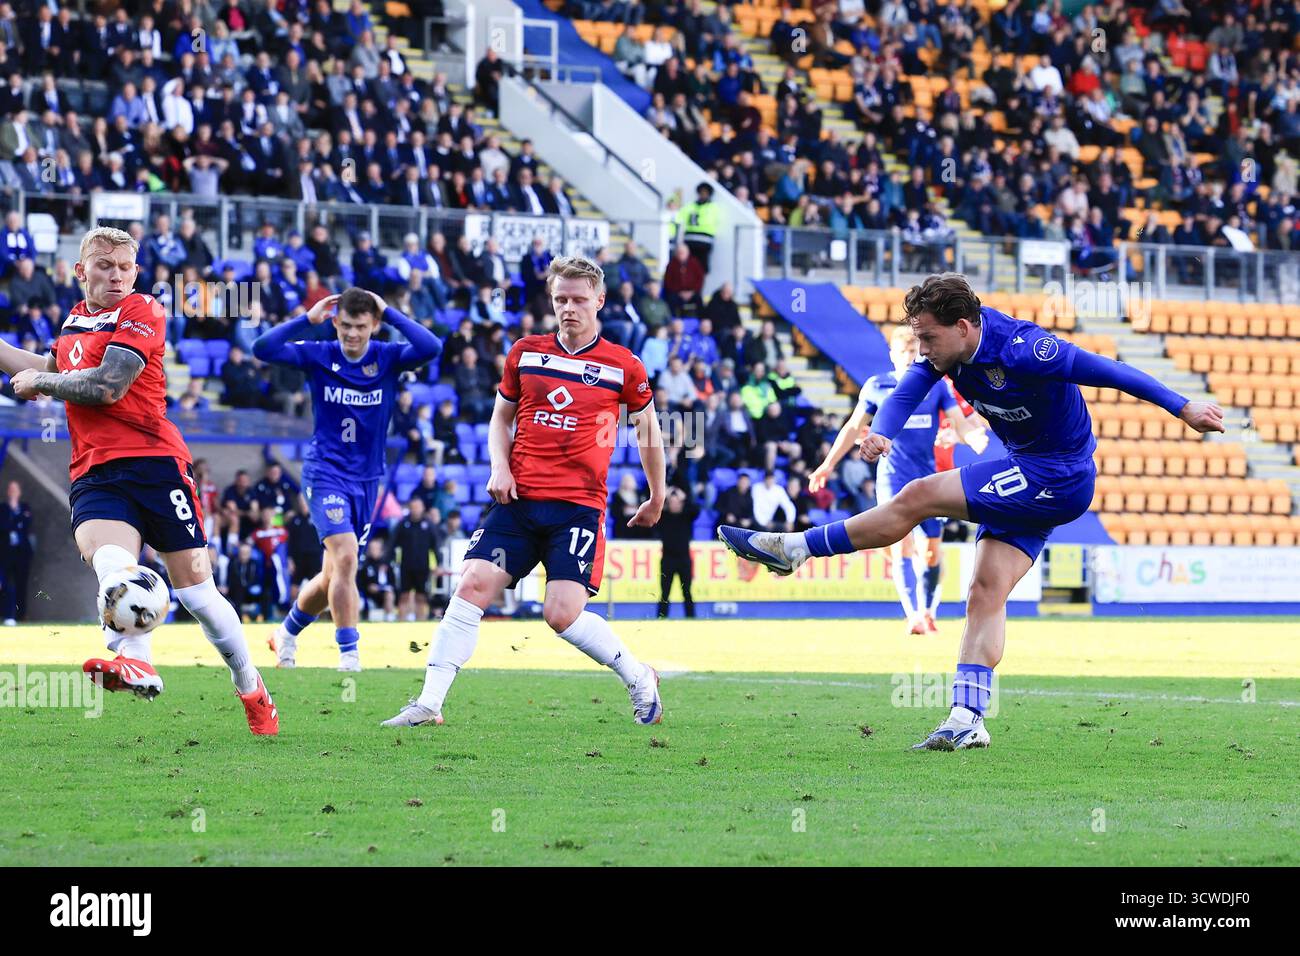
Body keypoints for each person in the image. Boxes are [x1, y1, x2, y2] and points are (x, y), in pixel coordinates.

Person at [718, 273, 1224, 750]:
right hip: (1030, 469)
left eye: (928, 337)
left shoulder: (1025, 348)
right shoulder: (946, 355)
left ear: (962, 327)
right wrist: (881, 434)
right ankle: (967, 721)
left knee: (917, 495)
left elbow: (1108, 371)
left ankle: (796, 548)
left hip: (1058, 472)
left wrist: (1182, 407)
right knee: (985, 591)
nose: (922, 349)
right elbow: (906, 391)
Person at [0, 226, 278, 734]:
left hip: (154, 462)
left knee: (199, 596)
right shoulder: (75, 321)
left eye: (125, 267)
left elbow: (106, 386)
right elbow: (51, 365)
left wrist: (41, 382)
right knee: (109, 561)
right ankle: (136, 661)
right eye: (105, 266)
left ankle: (252, 686)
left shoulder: (143, 309)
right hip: (94, 469)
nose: (117, 275)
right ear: (80, 270)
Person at [383, 255, 667, 728]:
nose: (568, 308)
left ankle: (640, 678)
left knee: (560, 614)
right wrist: (499, 466)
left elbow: (649, 432)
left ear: (599, 300)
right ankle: (429, 704)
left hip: (576, 509)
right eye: (560, 299)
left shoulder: (624, 366)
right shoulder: (526, 352)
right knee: (471, 585)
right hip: (517, 502)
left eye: (578, 300)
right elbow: (501, 418)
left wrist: (656, 495)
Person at [255, 287, 441, 671]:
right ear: (335, 323)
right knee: (346, 557)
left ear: (373, 325)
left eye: (360, 326)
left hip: (367, 480)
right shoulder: (319, 354)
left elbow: (431, 347)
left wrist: (389, 311)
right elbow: (263, 348)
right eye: (345, 326)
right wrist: (307, 320)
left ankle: (286, 634)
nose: (352, 334)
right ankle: (349, 654)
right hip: (325, 472)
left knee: (332, 576)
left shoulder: (387, 358)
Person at [809, 326, 986, 634]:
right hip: (892, 477)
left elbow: (959, 422)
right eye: (902, 352)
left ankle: (928, 610)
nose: (908, 357)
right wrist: (827, 465)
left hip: (929, 478)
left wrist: (972, 437)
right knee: (900, 546)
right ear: (892, 356)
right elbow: (853, 428)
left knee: (931, 551)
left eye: (913, 351)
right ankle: (914, 614)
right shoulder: (877, 387)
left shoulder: (937, 387)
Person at [392, 495, 438, 621]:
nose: (415, 509)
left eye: (418, 507)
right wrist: (387, 561)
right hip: (405, 565)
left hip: (423, 566)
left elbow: (435, 546)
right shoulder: (403, 524)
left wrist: (437, 564)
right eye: (413, 507)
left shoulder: (428, 525)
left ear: (422, 508)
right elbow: (392, 543)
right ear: (409, 508)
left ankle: (420, 620)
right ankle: (401, 620)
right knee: (404, 595)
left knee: (421, 596)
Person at [656, 486, 698, 619]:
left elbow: (696, 509)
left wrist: (684, 497)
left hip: (684, 560)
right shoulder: (664, 517)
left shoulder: (686, 517)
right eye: (671, 502)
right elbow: (655, 510)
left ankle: (691, 617)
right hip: (667, 560)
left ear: (681, 503)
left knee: (687, 591)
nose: (674, 505)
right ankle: (661, 617)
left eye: (677, 502)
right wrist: (665, 496)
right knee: (665, 592)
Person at [0, 480, 34, 624]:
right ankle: (6, 614)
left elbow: (26, 524)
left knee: (22, 584)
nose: (13, 492)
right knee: (5, 584)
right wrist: (17, 520)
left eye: (16, 489)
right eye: (11, 489)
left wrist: (14, 521)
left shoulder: (25, 506)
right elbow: (3, 526)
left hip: (22, 552)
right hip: (6, 553)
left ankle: (21, 615)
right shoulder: (3, 508)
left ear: (19, 492)